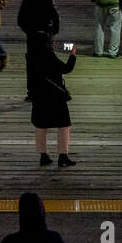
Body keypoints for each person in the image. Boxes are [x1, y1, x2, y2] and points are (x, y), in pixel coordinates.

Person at [30, 33, 76, 167]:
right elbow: (66, 68)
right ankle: (63, 155)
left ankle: (43, 155)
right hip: (55, 96)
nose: (54, 44)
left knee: (41, 125)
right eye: (52, 42)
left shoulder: (32, 56)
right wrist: (72, 55)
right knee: (64, 124)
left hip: (39, 95)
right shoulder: (49, 56)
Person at [17, 0, 60, 101]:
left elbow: (20, 21)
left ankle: (31, 92)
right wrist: (52, 32)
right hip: (46, 37)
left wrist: (28, 31)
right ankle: (47, 90)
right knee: (48, 63)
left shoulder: (26, 1)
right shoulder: (48, 1)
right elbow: (56, 19)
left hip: (31, 37)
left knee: (31, 64)